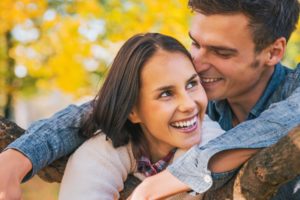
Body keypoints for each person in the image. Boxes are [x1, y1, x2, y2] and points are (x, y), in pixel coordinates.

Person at [0, 0, 300, 199]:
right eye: (195, 43)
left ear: (273, 52)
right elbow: (104, 107)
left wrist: (162, 183)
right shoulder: (198, 93)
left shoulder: (293, 91)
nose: (197, 62)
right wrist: (16, 159)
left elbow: (281, 121)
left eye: (221, 52)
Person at [58, 32, 225, 199]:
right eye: (166, 94)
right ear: (132, 111)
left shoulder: (211, 137)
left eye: (191, 83)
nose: (189, 104)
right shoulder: (97, 155)